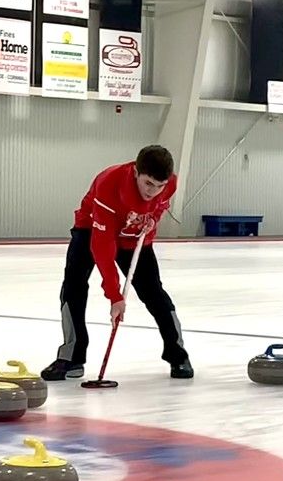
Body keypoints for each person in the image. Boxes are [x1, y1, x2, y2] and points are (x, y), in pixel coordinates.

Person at [41, 145, 192, 382]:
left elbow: (161, 206)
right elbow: (102, 248)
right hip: (91, 229)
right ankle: (72, 356)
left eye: (159, 186)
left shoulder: (169, 183)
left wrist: (152, 219)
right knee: (73, 286)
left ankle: (178, 355)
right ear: (135, 172)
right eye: (148, 184)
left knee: (153, 292)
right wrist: (115, 296)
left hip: (134, 236)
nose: (153, 191)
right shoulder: (109, 183)